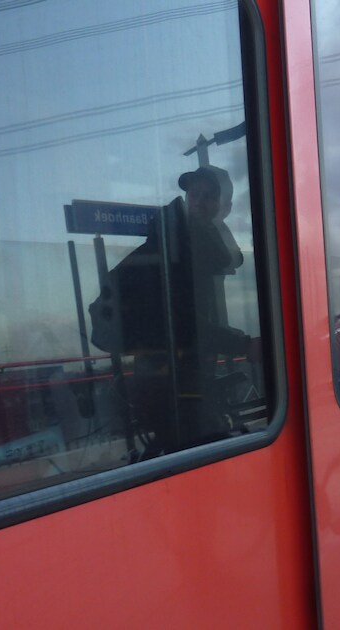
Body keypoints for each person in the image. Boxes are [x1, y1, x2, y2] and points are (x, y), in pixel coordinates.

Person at [90, 165, 256, 457]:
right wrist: (243, 344)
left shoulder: (190, 239)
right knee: (202, 452)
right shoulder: (179, 249)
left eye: (209, 196)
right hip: (168, 378)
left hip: (169, 373)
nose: (199, 202)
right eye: (195, 194)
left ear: (225, 207)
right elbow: (186, 324)